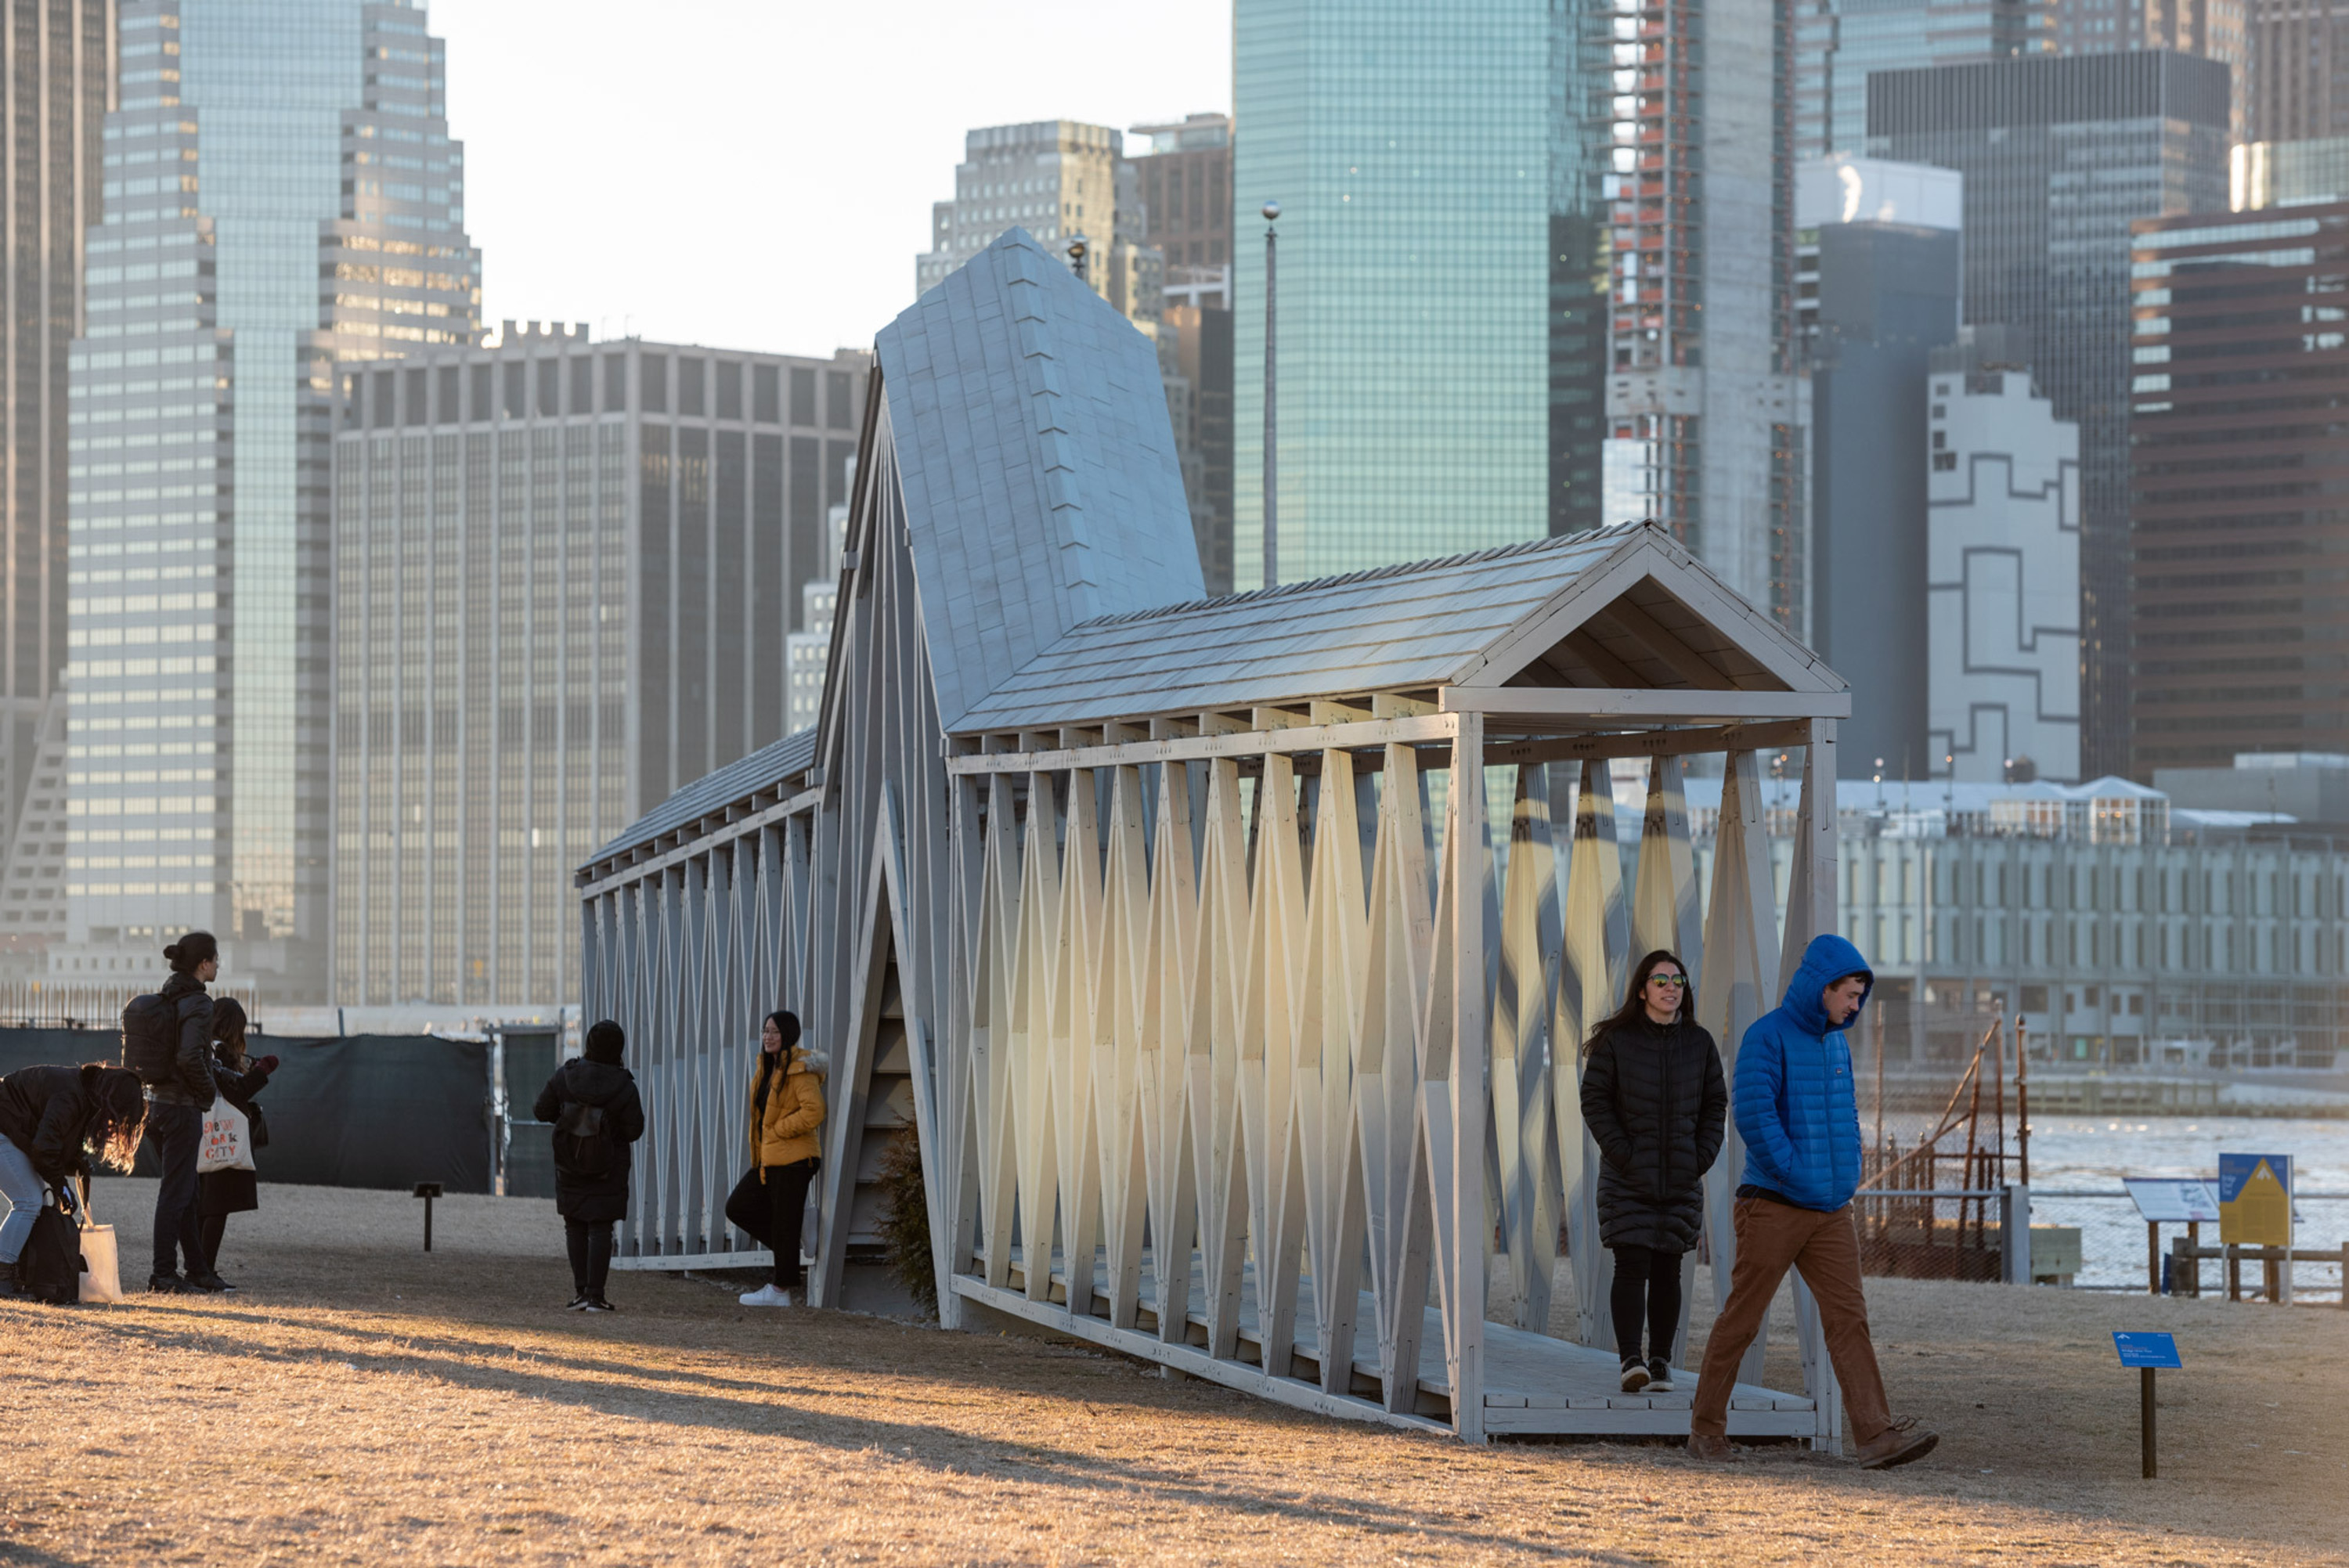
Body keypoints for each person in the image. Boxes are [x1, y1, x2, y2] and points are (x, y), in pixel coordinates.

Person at [1687, 933, 1939, 1469]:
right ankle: (1706, 1431)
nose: (1855, 1005)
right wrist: (1799, 1174)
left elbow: (1846, 1118)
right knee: (1744, 1318)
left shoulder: (1836, 1044)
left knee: (1849, 1318)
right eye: (1850, 993)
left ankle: (1877, 1435)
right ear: (1823, 987)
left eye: (1859, 996)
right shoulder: (1766, 1036)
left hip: (1831, 1212)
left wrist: (1847, 1173)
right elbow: (1755, 1118)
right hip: (1773, 1203)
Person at [1579, 949, 1727, 1393]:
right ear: (1642, 989)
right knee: (1631, 1263)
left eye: (1678, 981)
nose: (1670, 989)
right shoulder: (1617, 1041)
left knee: (1669, 1269)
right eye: (1660, 981)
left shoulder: (1699, 1043)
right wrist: (1623, 1153)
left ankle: (1660, 1361)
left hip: (1681, 1175)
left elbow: (1715, 1104)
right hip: (1629, 1176)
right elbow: (1595, 1102)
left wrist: (1700, 1157)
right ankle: (1631, 1361)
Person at [0, 1062, 148, 1299]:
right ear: (111, 1100)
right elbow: (44, 1149)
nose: (114, 1125)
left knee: (32, 1199)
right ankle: (3, 1272)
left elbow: (51, 1143)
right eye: (118, 1117)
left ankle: (11, 1270)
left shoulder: (81, 1093)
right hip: (4, 1131)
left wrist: (74, 1165)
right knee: (28, 1201)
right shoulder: (70, 1097)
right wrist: (61, 1186)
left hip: (9, 1131)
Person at [135, 931, 230, 1294]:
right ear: (203, 964)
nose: (218, 965)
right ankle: (163, 1274)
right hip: (181, 1108)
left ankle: (198, 1270)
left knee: (187, 1191)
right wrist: (207, 1093)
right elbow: (190, 1057)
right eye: (216, 959)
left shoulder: (167, 996)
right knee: (176, 1193)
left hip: (155, 1105)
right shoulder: (200, 1004)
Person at [532, 1018, 644, 1313]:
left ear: (589, 1045)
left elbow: (541, 1109)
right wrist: (607, 1132)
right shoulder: (624, 1085)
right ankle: (596, 1295)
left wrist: (571, 1123)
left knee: (575, 1224)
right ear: (619, 1048)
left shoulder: (566, 1076)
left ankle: (580, 1292)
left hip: (570, 1162)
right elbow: (634, 1130)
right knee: (600, 1228)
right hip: (609, 1166)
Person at [724, 1010, 825, 1307]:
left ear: (788, 1036)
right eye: (765, 1030)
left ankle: (780, 1291)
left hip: (795, 1159)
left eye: (774, 1032)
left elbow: (814, 1111)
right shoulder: (767, 1066)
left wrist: (779, 1129)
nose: (767, 1036)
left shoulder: (799, 1069)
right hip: (770, 1160)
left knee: (782, 1223)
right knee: (738, 1206)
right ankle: (795, 1239)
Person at [197, 998, 279, 1273]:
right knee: (217, 1206)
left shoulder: (203, 1049)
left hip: (206, 1133)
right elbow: (238, 1091)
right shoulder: (219, 1053)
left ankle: (199, 1268)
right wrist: (262, 1071)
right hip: (225, 1134)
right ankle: (204, 1269)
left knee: (204, 1204)